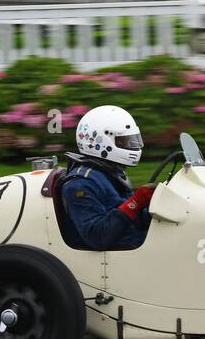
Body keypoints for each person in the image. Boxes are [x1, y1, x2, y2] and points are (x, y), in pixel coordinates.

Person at [59, 105, 153, 251]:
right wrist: (136, 202)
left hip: (134, 241)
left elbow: (132, 217)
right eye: (124, 141)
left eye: (132, 140)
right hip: (116, 255)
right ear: (100, 141)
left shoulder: (110, 172)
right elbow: (98, 237)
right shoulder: (80, 184)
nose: (132, 146)